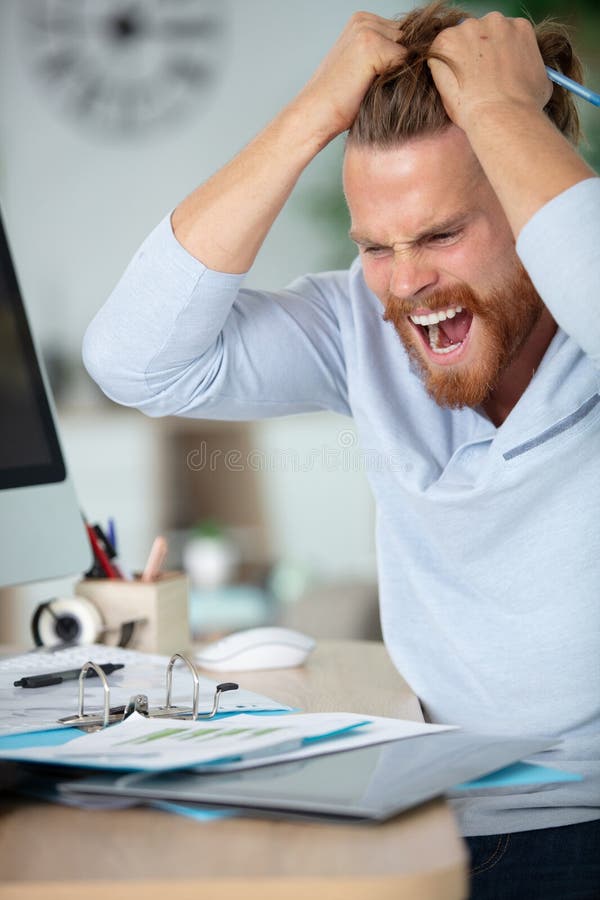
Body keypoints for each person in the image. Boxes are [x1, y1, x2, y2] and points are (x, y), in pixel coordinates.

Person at [83, 3, 600, 896]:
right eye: (377, 247)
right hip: (431, 805)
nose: (406, 286)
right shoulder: (357, 326)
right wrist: (310, 115)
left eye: (442, 234)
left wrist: (506, 114)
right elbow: (133, 364)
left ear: (528, 194)